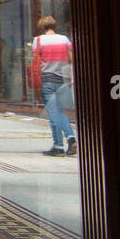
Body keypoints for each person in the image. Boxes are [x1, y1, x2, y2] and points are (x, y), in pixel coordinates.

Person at [28, 15, 76, 157]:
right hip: (62, 80)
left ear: (42, 27)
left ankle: (59, 146)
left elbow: (35, 61)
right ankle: (70, 139)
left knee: (54, 113)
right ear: (54, 26)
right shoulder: (64, 40)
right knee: (59, 111)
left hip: (47, 80)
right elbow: (71, 59)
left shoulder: (38, 40)